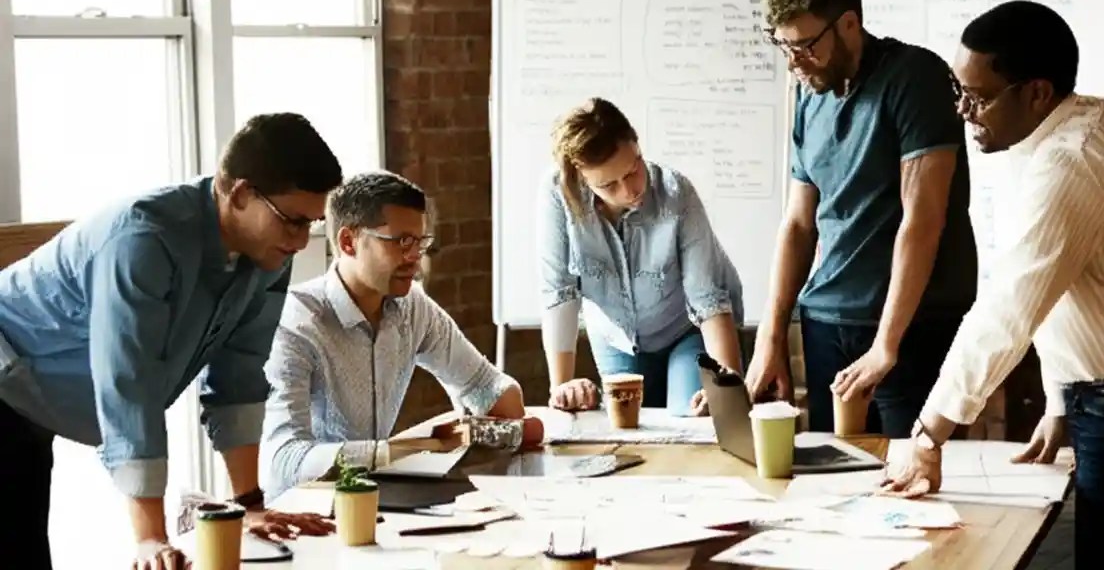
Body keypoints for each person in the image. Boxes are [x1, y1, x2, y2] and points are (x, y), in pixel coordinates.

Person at [882, 0, 1104, 569]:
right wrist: (1061, 398)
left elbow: (1008, 310)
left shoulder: (1069, 166)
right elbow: (1064, 285)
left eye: (979, 97)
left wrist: (926, 435)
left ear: (1037, 93)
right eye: (957, 91)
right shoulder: (1102, 119)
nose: (963, 110)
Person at [0, 113, 343, 570]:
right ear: (241, 193)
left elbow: (239, 377)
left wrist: (249, 505)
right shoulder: (143, 239)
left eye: (311, 224)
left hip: (34, 398)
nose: (301, 241)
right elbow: (129, 382)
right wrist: (150, 539)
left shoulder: (268, 255)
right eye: (292, 221)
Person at [744, 0, 978, 437]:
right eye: (782, 46)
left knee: (910, 469)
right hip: (828, 322)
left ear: (849, 23)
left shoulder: (915, 77)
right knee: (837, 471)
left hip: (911, 329)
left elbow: (923, 219)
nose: (793, 63)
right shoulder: (808, 95)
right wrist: (770, 337)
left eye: (805, 46)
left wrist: (886, 345)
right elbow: (798, 225)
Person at [261, 171, 530, 500]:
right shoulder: (296, 323)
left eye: (420, 242)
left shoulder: (412, 306)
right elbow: (282, 462)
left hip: (377, 501)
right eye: (401, 242)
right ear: (348, 242)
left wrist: (490, 427)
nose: (415, 258)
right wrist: (397, 452)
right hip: (306, 511)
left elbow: (487, 385)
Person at [536, 97, 745, 416]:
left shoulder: (677, 193)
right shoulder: (557, 194)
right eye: (609, 185)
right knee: (628, 427)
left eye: (634, 169)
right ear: (581, 177)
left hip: (684, 331)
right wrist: (561, 387)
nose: (629, 190)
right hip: (615, 339)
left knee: (691, 416)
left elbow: (708, 300)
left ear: (636, 144)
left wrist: (726, 388)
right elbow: (559, 291)